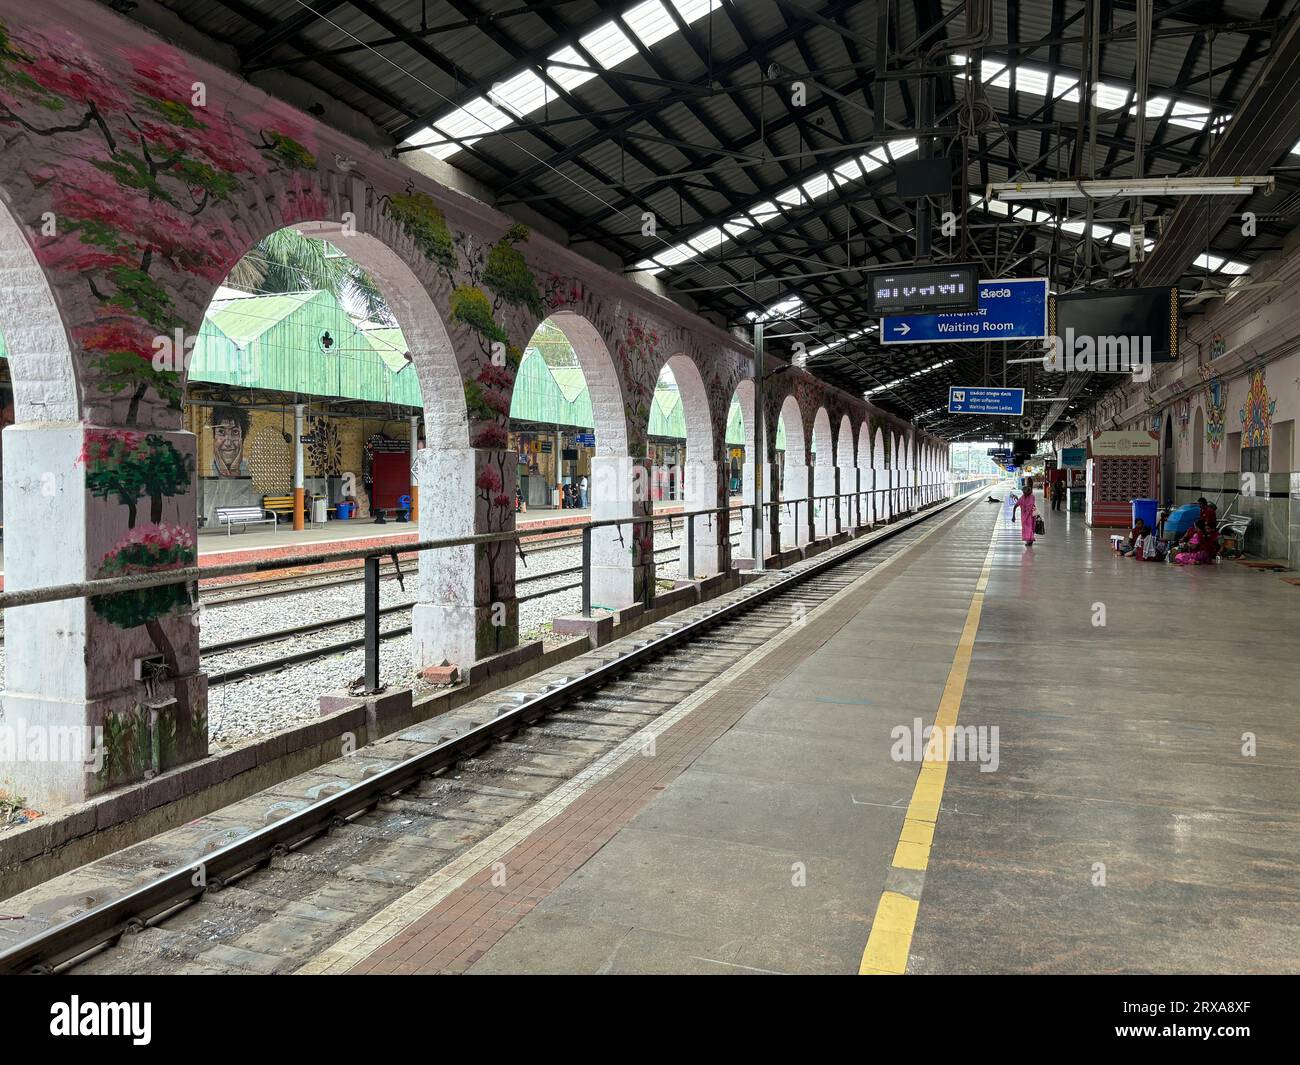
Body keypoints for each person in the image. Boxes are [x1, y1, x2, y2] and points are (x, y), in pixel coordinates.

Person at [1012, 482, 1037, 547]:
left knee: (1030, 528)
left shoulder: (1032, 497)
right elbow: (1016, 506)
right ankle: (1029, 541)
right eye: (1024, 492)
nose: (1024, 494)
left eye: (1025, 492)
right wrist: (1013, 516)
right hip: (1025, 517)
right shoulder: (1022, 498)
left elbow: (1030, 505)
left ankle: (1030, 541)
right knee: (1027, 529)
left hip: (1031, 516)